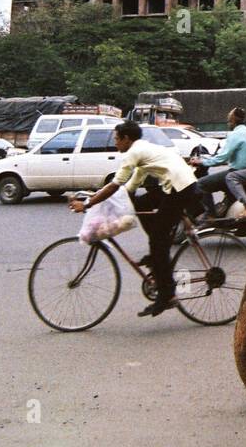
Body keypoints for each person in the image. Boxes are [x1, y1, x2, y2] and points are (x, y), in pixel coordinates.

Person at [69, 121, 197, 317]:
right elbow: (129, 188)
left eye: (116, 139)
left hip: (180, 189)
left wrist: (88, 204)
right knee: (141, 204)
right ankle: (157, 254)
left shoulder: (134, 153)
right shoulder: (143, 151)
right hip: (177, 187)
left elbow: (115, 185)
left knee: (158, 242)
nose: (115, 144)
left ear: (126, 138)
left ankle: (167, 296)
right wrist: (98, 198)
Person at [193, 107, 246, 222]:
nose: (228, 123)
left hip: (237, 172)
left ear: (232, 120)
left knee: (201, 184)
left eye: (229, 121)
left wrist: (202, 161)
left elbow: (221, 158)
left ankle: (210, 216)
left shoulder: (235, 134)